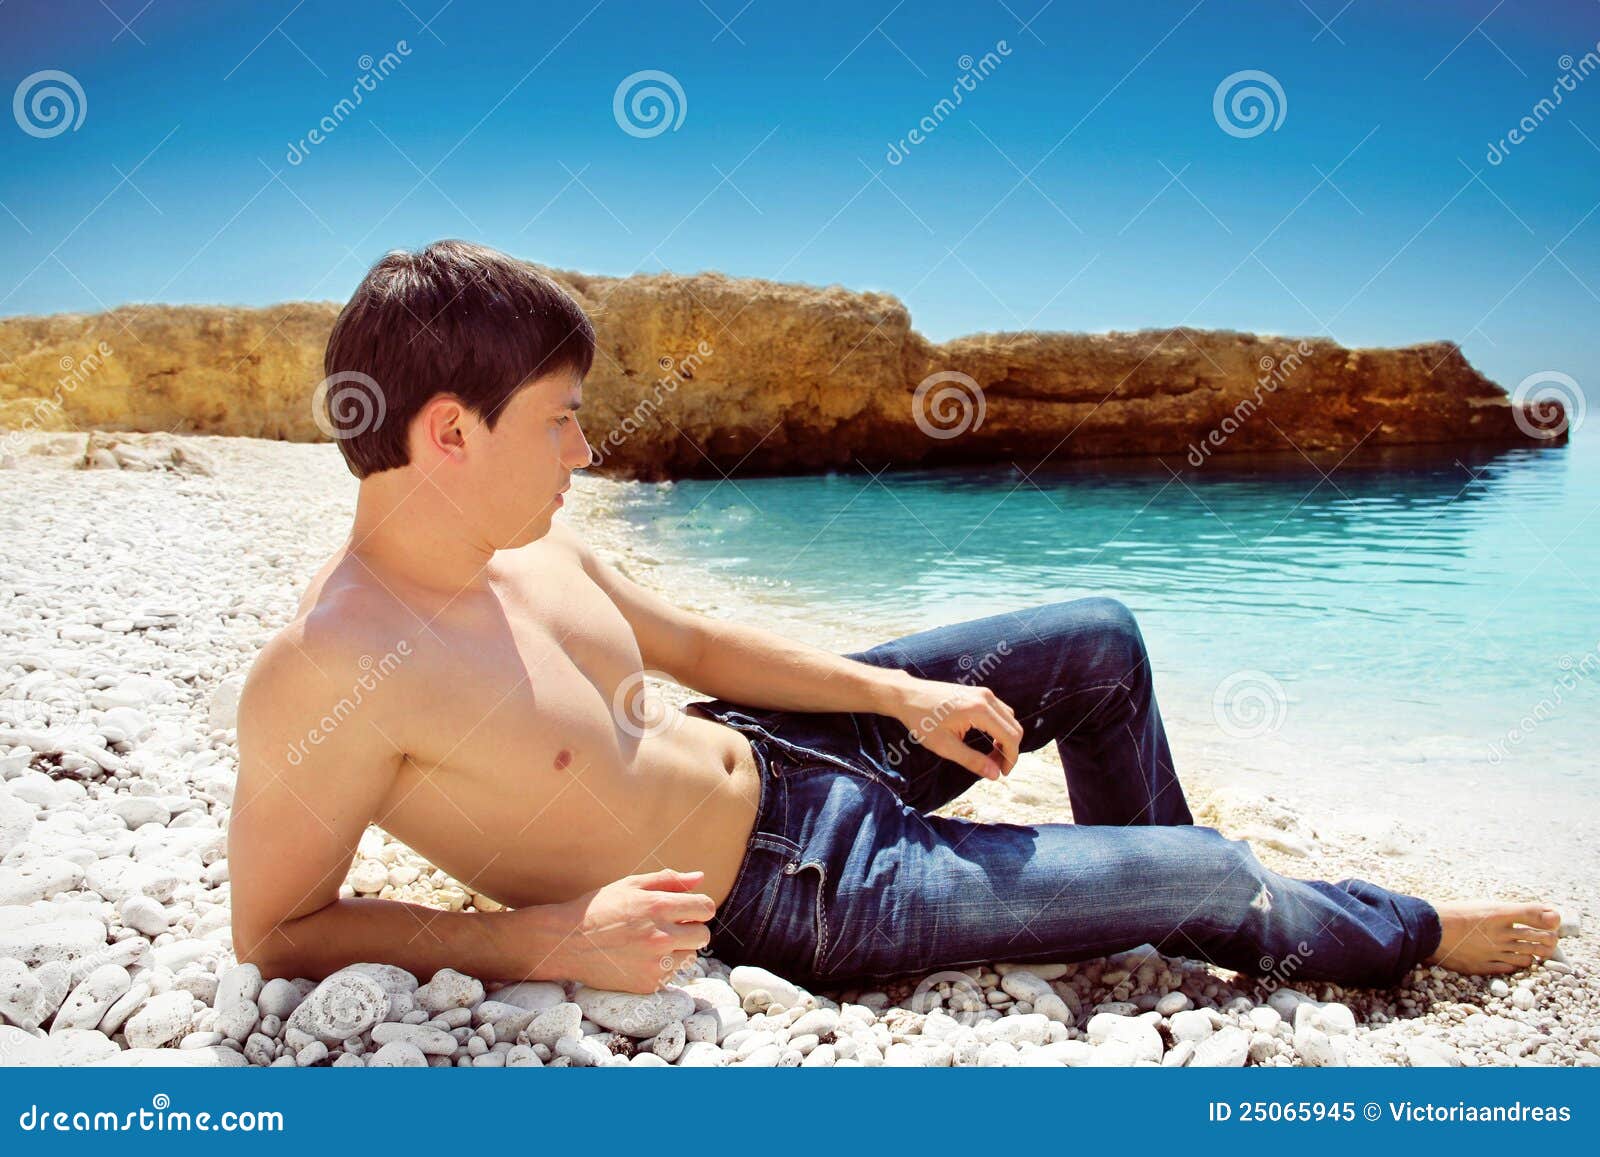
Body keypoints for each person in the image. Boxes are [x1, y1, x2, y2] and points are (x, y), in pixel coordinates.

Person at [229, 240, 1561, 996]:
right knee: (1212, 870)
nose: (585, 450)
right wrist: (528, 940)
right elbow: (274, 930)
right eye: (560, 420)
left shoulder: (523, 546)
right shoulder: (332, 665)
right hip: (808, 892)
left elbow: (691, 649)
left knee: (1100, 637)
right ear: (450, 432)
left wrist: (896, 698)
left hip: (791, 747)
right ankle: (1385, 922)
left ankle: (1146, 885)